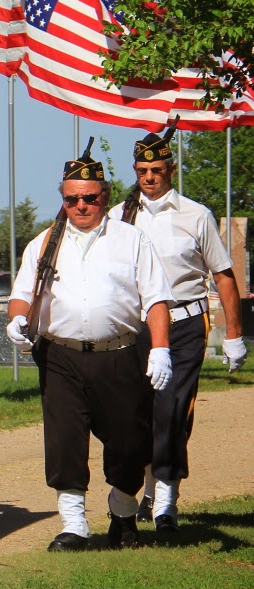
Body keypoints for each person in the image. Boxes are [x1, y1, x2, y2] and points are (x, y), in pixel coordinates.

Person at [6, 146, 174, 551]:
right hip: (61, 355)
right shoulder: (43, 244)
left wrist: (160, 349)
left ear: (105, 194)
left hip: (119, 353)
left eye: (89, 197)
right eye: (71, 198)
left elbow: (155, 300)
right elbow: (22, 293)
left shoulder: (131, 239)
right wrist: (16, 320)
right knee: (64, 438)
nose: (80, 206)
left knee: (129, 442)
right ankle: (74, 524)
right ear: (62, 198)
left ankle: (122, 507)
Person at [109, 125, 245, 531]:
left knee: (170, 411)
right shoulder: (119, 216)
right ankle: (134, 491)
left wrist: (234, 335)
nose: (149, 177)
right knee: (134, 415)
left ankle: (165, 500)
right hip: (135, 328)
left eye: (156, 169)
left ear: (171, 169)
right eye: (141, 170)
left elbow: (223, 275)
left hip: (185, 323)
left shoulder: (195, 215)